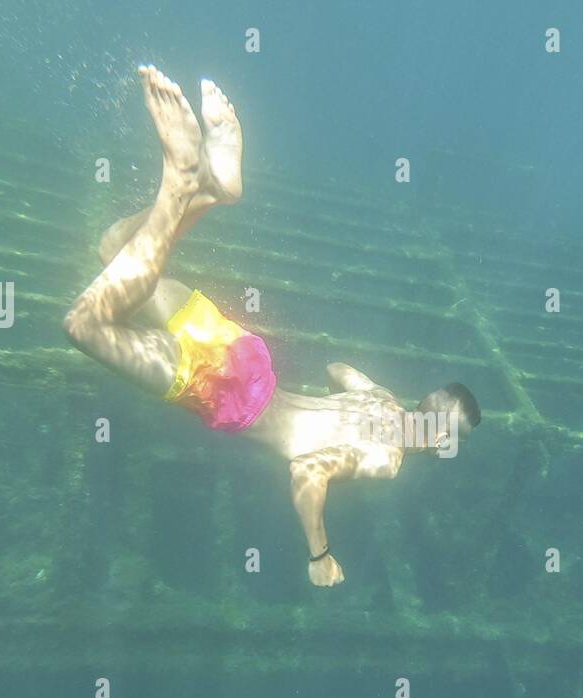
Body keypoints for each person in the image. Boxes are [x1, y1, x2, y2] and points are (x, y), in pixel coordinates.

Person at [63, 66, 480, 587]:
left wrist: (334, 407)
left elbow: (338, 368)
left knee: (113, 253)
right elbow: (307, 470)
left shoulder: (382, 399)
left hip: (246, 355)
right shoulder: (387, 459)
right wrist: (319, 555)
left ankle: (212, 193)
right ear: (444, 444)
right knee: (83, 324)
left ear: (429, 400)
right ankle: (180, 181)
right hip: (231, 395)